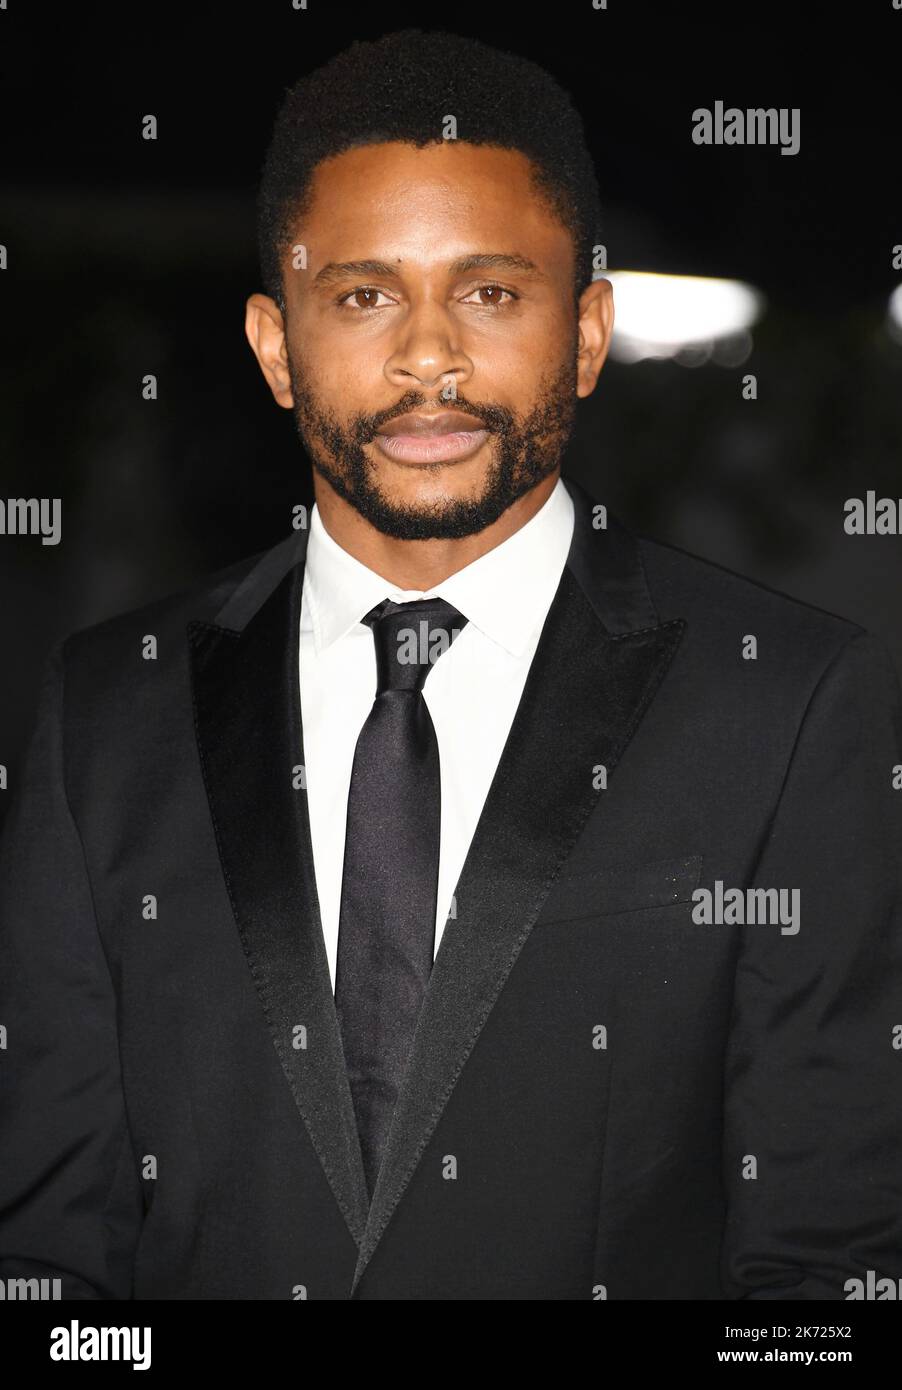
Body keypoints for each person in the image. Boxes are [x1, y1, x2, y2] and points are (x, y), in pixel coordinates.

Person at [1, 27, 900, 1301]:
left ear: (586, 331)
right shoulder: (103, 708)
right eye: (364, 295)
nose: (430, 358)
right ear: (274, 345)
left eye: (489, 291)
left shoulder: (790, 699)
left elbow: (829, 1259)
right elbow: (47, 1260)